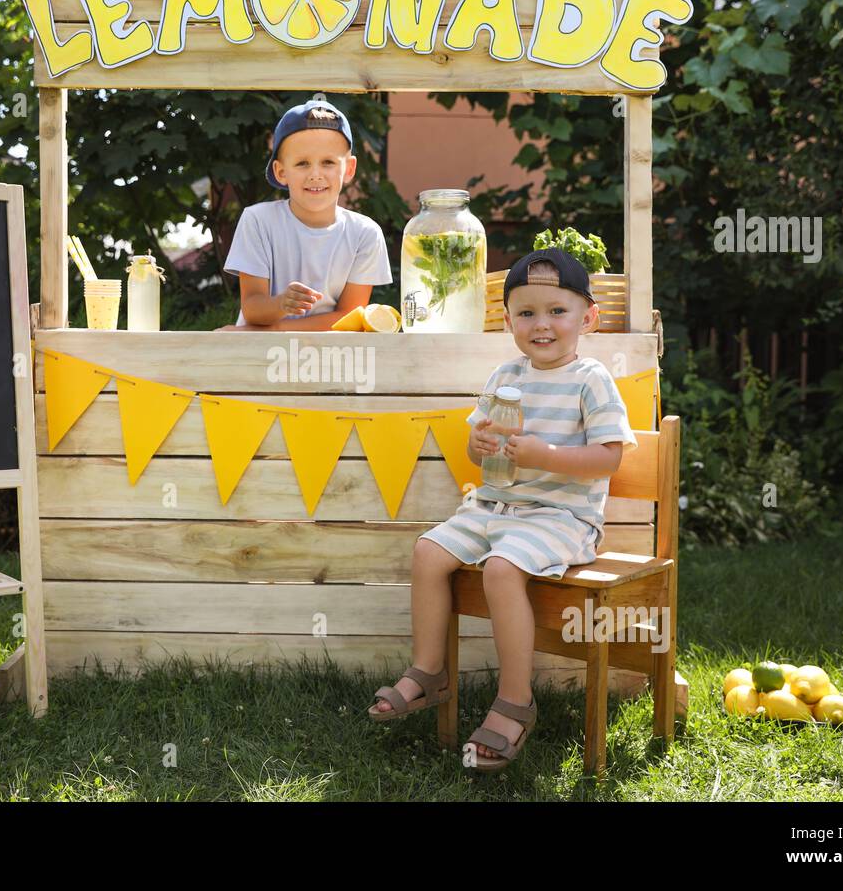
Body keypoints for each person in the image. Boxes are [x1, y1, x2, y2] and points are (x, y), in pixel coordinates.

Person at [366, 248, 639, 773]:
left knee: (501, 567)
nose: (542, 325)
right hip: (496, 505)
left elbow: (609, 458)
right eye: (527, 313)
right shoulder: (504, 375)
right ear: (509, 320)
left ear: (588, 318)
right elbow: (475, 448)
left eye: (557, 311)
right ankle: (429, 672)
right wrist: (481, 445)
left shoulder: (591, 379)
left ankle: (515, 699)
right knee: (427, 551)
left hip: (562, 518)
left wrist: (548, 456)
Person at [218, 95, 392, 330]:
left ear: (349, 169)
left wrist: (277, 331)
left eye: (328, 162)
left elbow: (350, 318)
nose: (315, 174)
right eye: (302, 163)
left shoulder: (366, 233)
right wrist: (281, 304)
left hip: (330, 358)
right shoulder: (257, 220)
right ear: (280, 172)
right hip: (260, 359)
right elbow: (252, 308)